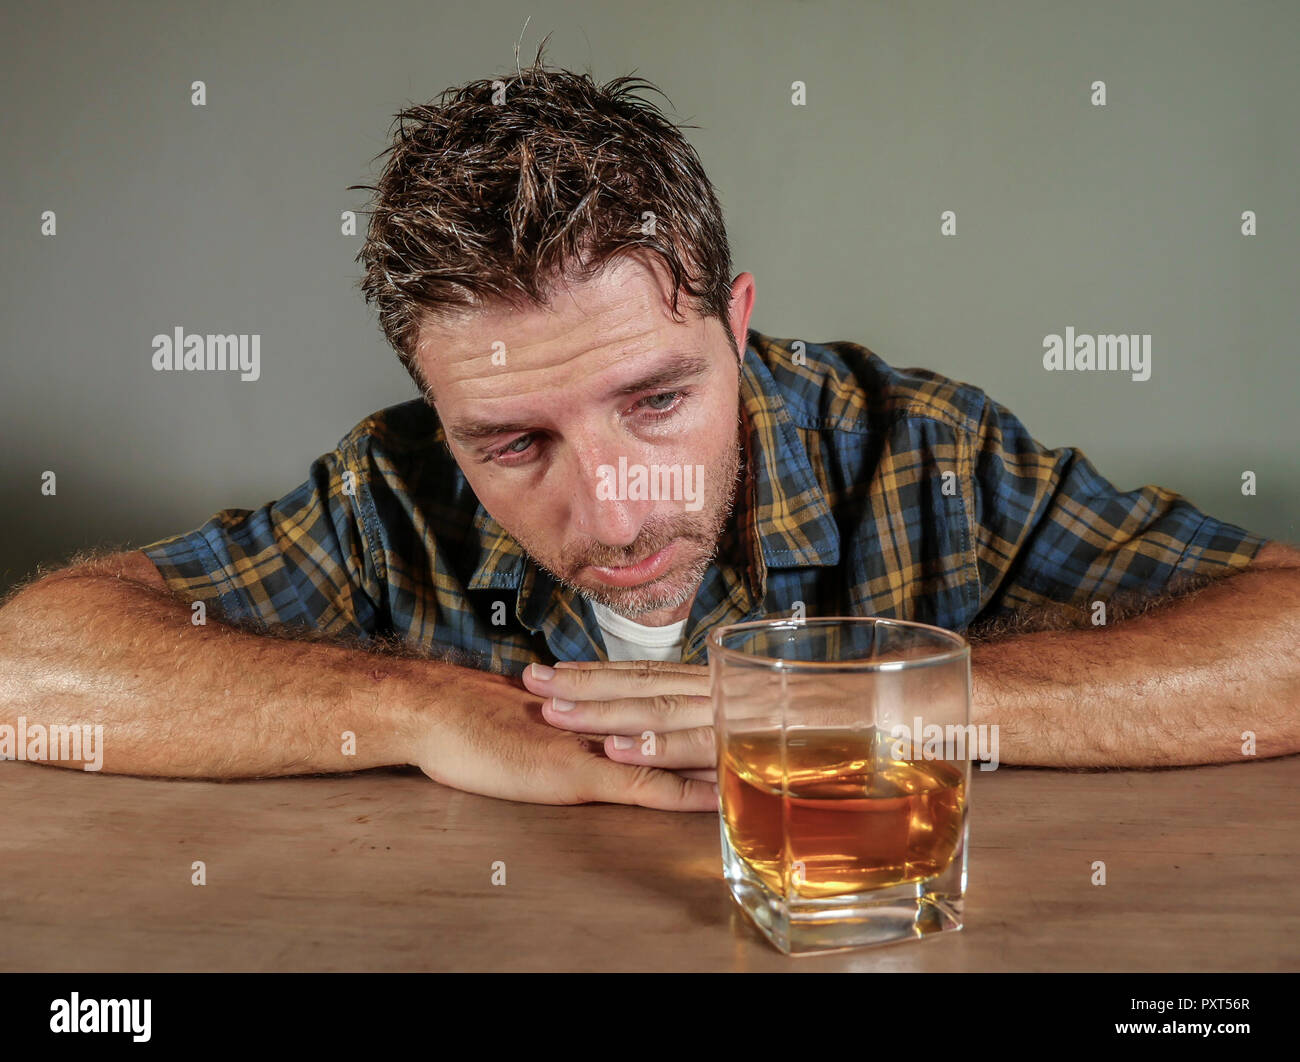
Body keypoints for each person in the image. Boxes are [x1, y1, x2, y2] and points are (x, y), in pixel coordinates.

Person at [3, 62, 1297, 810]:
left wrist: (867, 703)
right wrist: (413, 708)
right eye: (512, 443)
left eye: (658, 399)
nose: (616, 513)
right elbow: (23, 672)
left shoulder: (922, 453)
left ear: (738, 328)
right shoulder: (388, 490)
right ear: (435, 410)